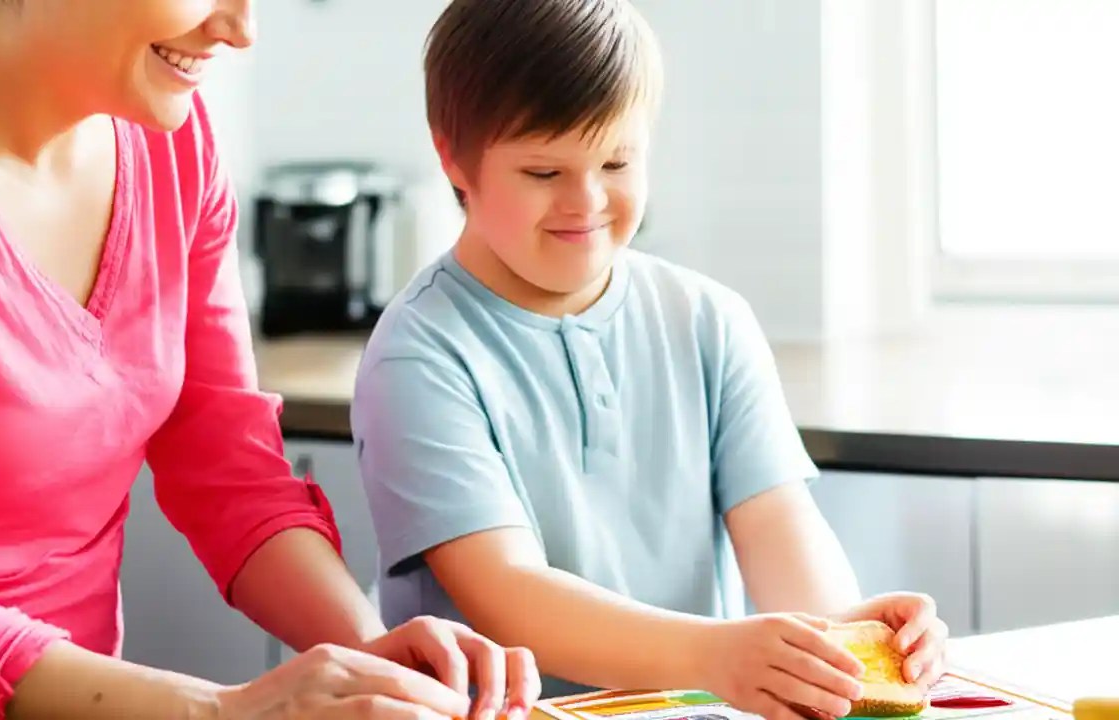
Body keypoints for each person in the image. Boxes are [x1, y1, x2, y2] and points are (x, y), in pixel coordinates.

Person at [0, 1, 538, 718]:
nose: (240, 28)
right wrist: (224, 711)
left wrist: (371, 653)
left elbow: (229, 466)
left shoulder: (168, 140)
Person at [350, 0, 948, 715]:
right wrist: (716, 654)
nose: (588, 200)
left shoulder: (708, 320)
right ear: (453, 156)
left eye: (616, 160)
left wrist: (843, 640)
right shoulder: (418, 355)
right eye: (544, 171)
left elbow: (776, 523)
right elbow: (508, 593)